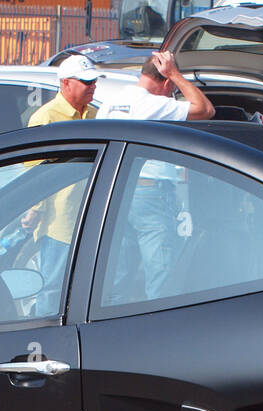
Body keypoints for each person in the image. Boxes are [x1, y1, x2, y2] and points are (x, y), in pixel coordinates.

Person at [102, 51, 214, 301]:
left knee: (117, 275)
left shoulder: (110, 103)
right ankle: (162, 328)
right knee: (162, 274)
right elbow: (205, 109)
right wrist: (175, 73)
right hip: (150, 194)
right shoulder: (151, 103)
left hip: (114, 193)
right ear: (165, 82)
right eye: (171, 87)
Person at [22, 54, 104, 315]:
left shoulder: (95, 115)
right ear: (66, 83)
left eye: (93, 82)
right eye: (86, 82)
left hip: (90, 214)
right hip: (60, 220)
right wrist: (35, 208)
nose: (92, 87)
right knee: (52, 286)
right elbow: (35, 173)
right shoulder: (45, 118)